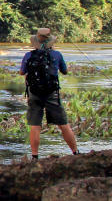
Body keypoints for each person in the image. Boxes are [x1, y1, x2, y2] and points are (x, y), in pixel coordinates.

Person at [18, 27, 80, 162]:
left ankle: (35, 157)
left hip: (34, 94)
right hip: (52, 94)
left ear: (36, 41)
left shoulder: (28, 55)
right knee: (63, 124)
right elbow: (64, 71)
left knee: (35, 125)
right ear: (51, 41)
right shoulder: (57, 55)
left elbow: (22, 72)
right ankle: (76, 152)